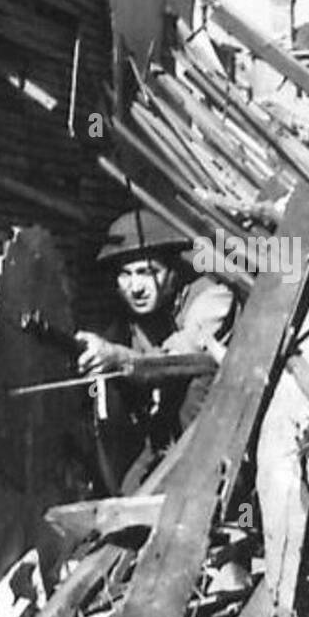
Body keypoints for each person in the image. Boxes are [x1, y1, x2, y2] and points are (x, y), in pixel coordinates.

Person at [76, 210, 237, 492]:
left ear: (173, 272)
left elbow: (181, 359)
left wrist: (117, 357)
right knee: (128, 493)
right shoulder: (140, 317)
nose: (135, 287)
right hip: (168, 432)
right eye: (125, 275)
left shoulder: (213, 297)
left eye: (147, 272)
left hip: (222, 430)